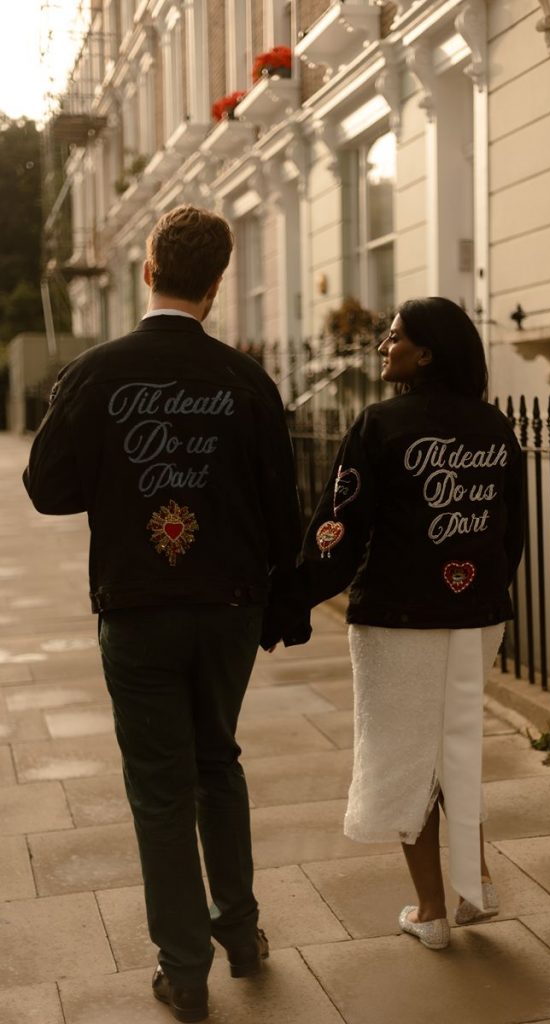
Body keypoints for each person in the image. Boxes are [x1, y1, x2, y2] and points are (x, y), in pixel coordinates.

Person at [23, 204, 309, 1022]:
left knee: (159, 788)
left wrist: (112, 480)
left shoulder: (97, 372)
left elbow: (47, 489)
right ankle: (242, 934)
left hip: (139, 602)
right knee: (217, 761)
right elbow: (279, 508)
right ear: (216, 284)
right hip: (228, 605)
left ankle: (184, 970)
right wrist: (282, 597)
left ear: (148, 270)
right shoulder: (247, 381)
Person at [295, 297, 524, 949]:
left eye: (392, 338)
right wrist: (483, 595)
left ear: (425, 352)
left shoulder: (380, 425)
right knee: (455, 745)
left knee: (405, 757)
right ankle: (476, 885)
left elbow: (339, 528)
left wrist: (293, 596)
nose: (381, 348)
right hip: (477, 615)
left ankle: (431, 911)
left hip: (398, 618)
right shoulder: (495, 428)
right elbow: (511, 536)